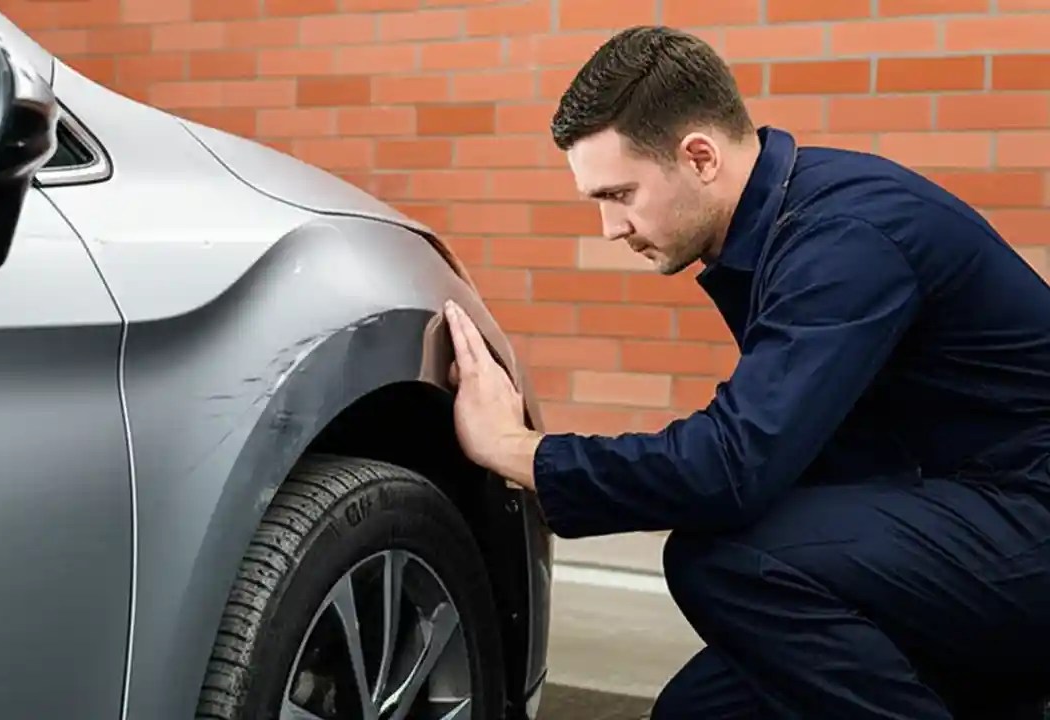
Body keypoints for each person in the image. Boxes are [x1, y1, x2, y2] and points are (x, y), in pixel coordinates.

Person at [442, 25, 1050, 720]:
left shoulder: (844, 239)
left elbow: (731, 467)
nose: (611, 228)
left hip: (1027, 525)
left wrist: (517, 450)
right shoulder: (788, 226)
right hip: (966, 528)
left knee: (726, 561)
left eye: (619, 194)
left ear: (699, 156)